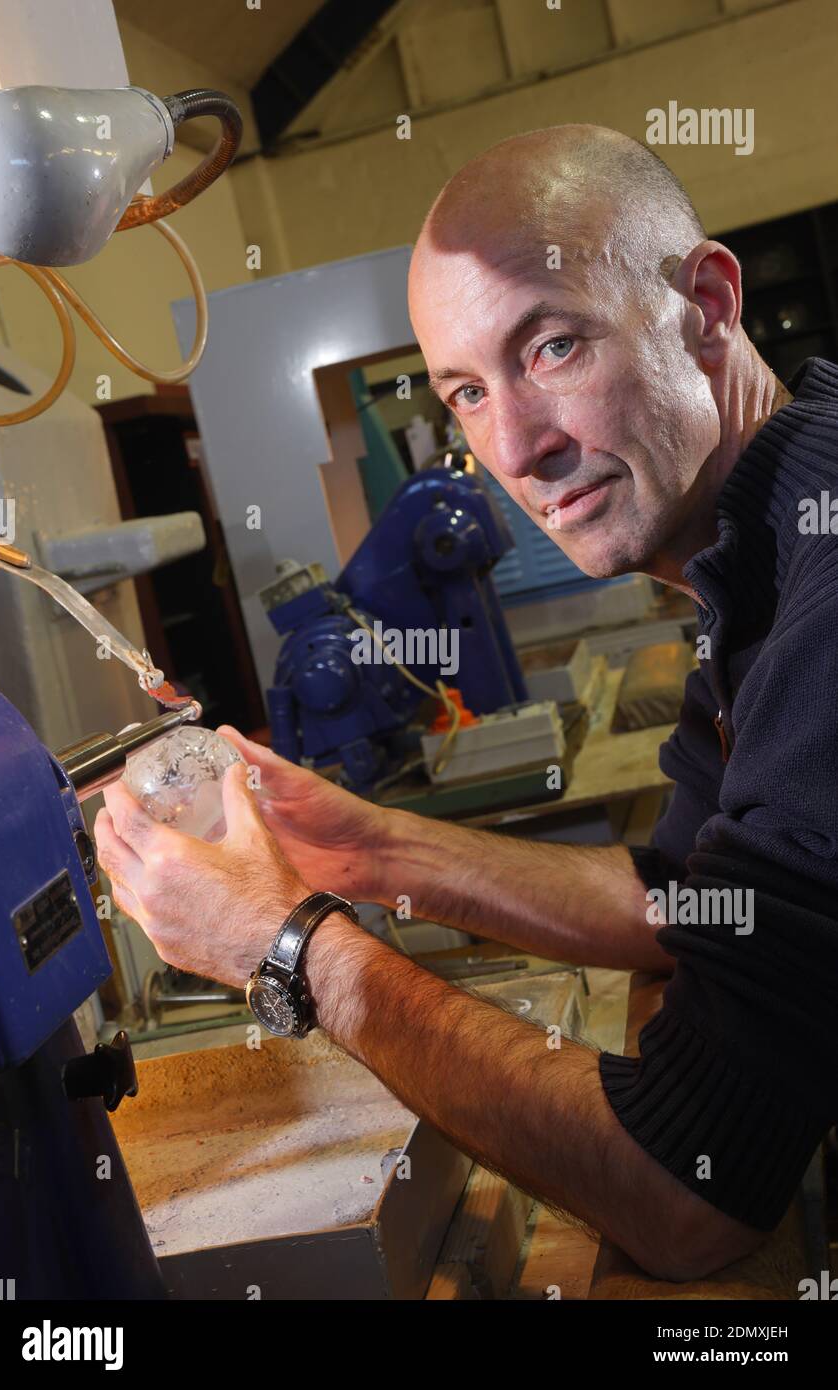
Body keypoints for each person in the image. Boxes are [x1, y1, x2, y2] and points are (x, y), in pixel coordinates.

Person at [96, 125, 838, 1281]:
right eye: (464, 393)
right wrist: (364, 845)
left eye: (549, 347)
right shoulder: (766, 542)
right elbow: (682, 900)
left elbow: (689, 1189)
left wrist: (287, 943)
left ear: (704, 302)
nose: (516, 449)